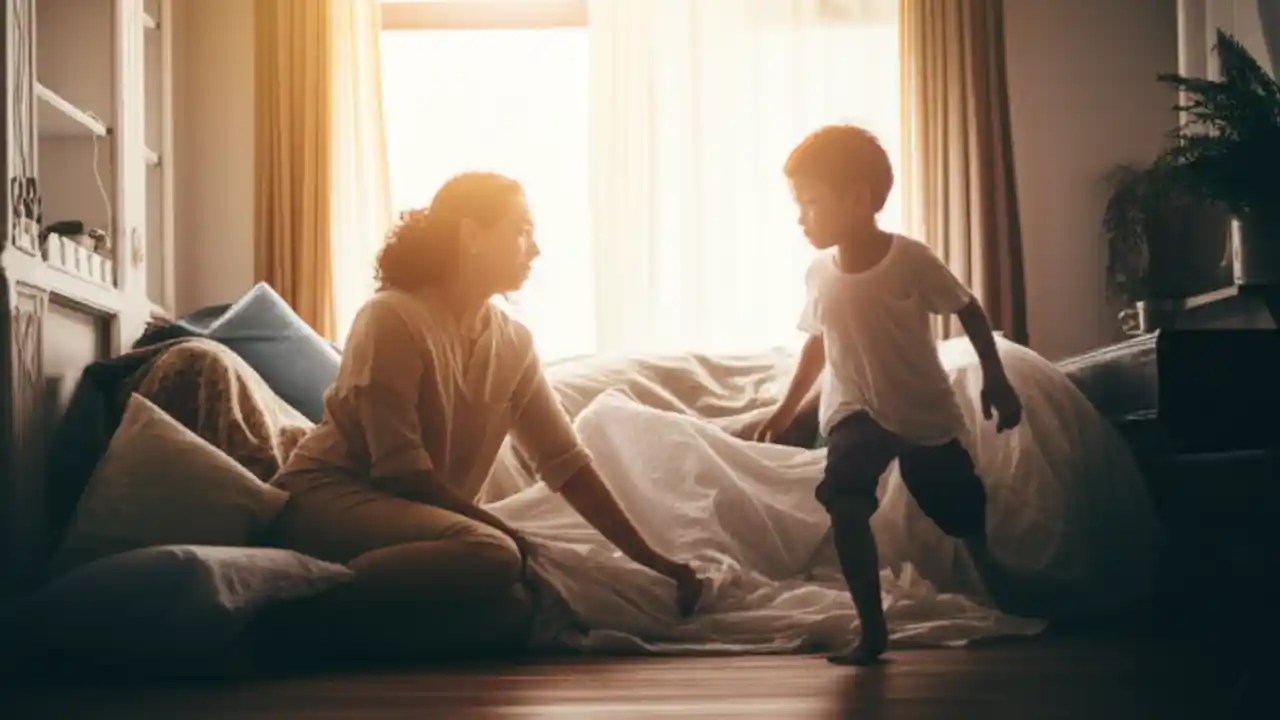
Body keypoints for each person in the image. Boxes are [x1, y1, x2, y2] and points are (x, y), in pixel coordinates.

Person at [268, 172, 702, 657]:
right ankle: (287, 615)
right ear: (471, 235)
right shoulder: (391, 317)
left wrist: (653, 561)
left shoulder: (512, 342)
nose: (534, 249)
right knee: (494, 554)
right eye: (520, 229)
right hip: (327, 498)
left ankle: (339, 642)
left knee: (520, 610)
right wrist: (507, 535)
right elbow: (400, 471)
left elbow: (566, 463)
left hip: (413, 519)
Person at [754, 125, 1024, 666]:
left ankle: (996, 578)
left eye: (810, 202)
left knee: (958, 510)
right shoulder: (819, 274)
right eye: (798, 204)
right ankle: (872, 629)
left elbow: (967, 307)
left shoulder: (909, 260)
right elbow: (818, 343)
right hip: (855, 411)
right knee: (845, 503)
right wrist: (785, 410)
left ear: (857, 199)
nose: (801, 217)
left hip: (920, 410)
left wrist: (996, 376)